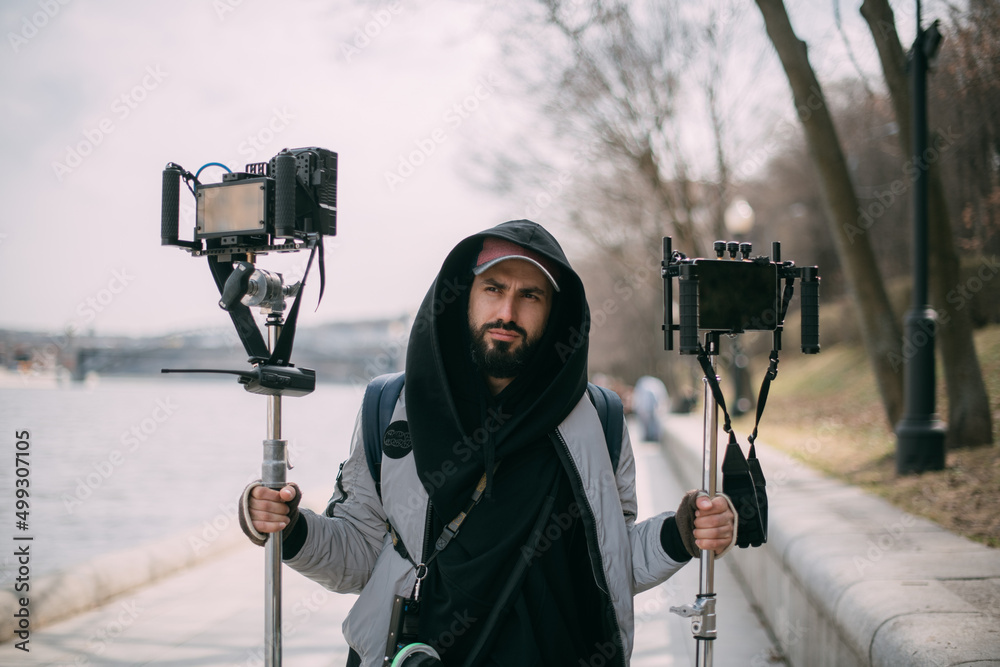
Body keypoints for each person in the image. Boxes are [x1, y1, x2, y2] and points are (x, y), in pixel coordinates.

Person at [239, 220, 735, 667]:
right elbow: (359, 553)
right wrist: (289, 528)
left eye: (531, 296)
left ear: (555, 313)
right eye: (493, 288)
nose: (507, 311)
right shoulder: (389, 407)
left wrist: (682, 532)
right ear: (463, 296)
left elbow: (612, 558)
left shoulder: (598, 417)